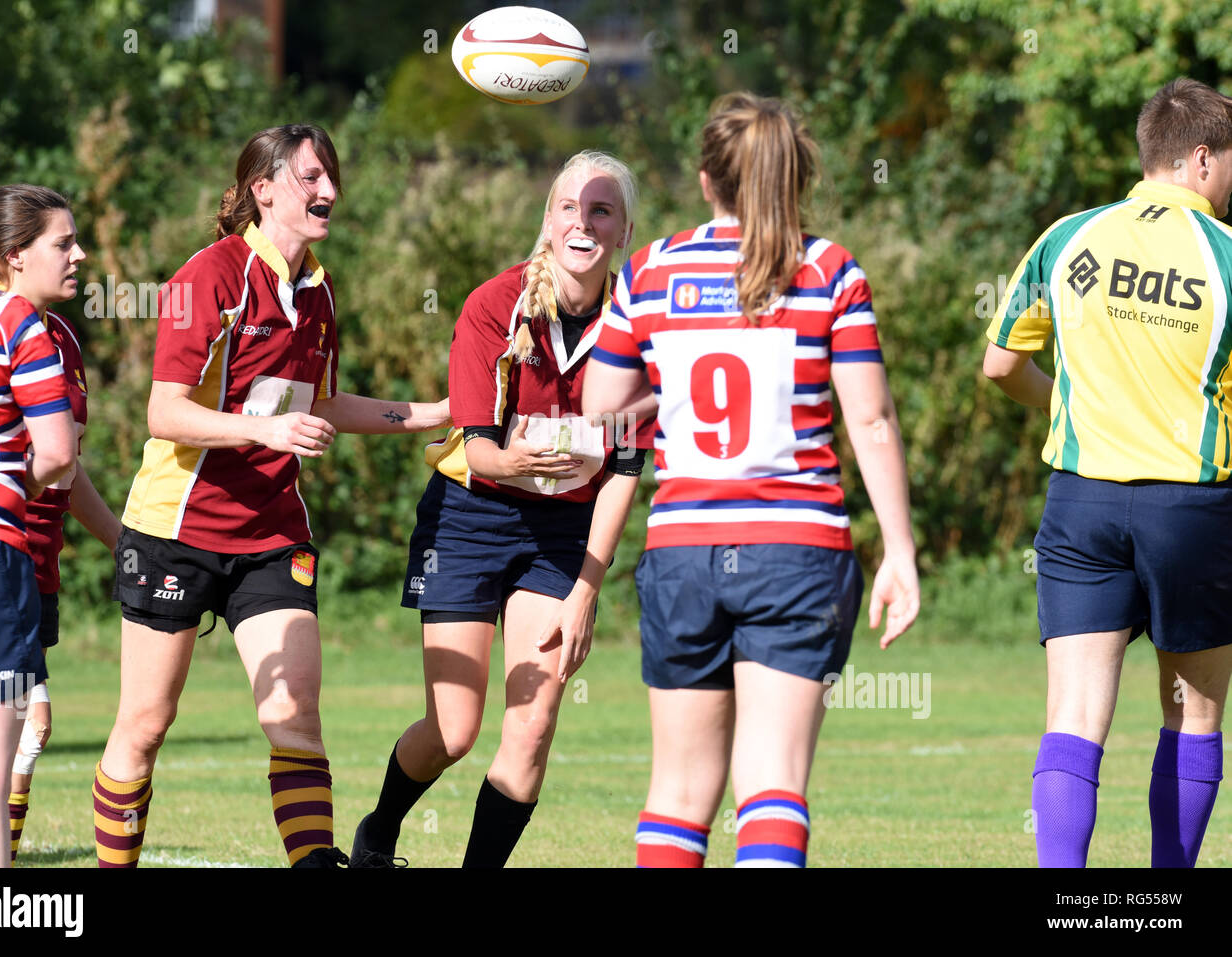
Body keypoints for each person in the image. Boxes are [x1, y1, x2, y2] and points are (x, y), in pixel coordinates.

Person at [94, 124, 449, 868]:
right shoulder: (210, 277)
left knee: (294, 718)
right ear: (265, 190)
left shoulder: (317, 288)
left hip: (271, 534)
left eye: (332, 177)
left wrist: (433, 413)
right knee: (147, 723)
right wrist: (267, 430)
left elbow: (321, 404)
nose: (329, 191)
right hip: (176, 529)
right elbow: (165, 412)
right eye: (312, 176)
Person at [583, 92, 919, 868]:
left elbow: (602, 410)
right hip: (797, 551)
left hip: (682, 551)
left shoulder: (651, 272)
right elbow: (869, 420)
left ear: (707, 180)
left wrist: (669, 390)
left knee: (677, 791)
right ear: (795, 176)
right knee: (771, 782)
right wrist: (898, 549)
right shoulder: (830, 270)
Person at [349, 150, 650, 868]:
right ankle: (379, 831)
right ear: (548, 219)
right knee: (453, 731)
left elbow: (625, 467)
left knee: (535, 718)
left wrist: (586, 587)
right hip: (471, 513)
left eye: (601, 209)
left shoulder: (638, 320)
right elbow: (478, 448)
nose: (584, 221)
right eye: (569, 207)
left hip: (562, 530)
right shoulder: (494, 304)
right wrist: (523, 459)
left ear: (624, 230)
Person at [984, 77, 1232, 868]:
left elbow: (999, 364)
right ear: (1199, 159)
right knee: (1191, 713)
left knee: (1074, 715)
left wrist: (1068, 404)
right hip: (1191, 510)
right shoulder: (1225, 257)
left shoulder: (1070, 237)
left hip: (1082, 501)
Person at [0, 184, 121, 869]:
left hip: (4, 559)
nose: (79, 255)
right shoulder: (10, 319)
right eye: (64, 243)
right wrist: (5, 490)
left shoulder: (43, 326)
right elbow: (59, 455)